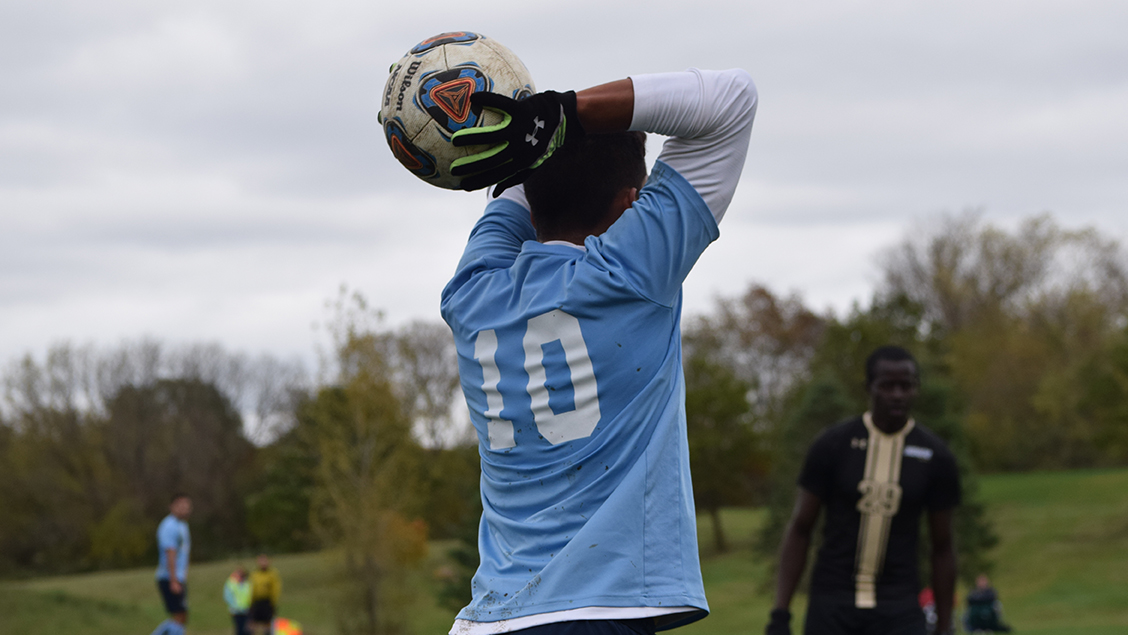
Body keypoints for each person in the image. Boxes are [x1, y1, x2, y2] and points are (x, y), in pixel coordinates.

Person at [439, 66, 757, 635]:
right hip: (594, 612)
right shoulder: (631, 272)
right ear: (632, 203)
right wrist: (568, 113)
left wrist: (536, 131)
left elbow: (521, 195)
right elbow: (732, 98)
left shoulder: (472, 295)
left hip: (486, 619)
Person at [765, 346, 961, 635]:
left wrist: (945, 627)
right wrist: (780, 614)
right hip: (832, 604)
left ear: (915, 389)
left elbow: (942, 547)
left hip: (899, 607)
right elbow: (800, 528)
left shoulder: (936, 456)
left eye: (905, 386)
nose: (897, 394)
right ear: (869, 387)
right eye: (887, 385)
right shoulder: (833, 445)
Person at [152, 494, 192, 635]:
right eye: (180, 505)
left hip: (178, 577)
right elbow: (170, 553)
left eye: (186, 506)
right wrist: (174, 580)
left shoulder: (183, 525)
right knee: (179, 615)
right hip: (169, 577)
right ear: (172, 506)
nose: (184, 509)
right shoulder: (169, 526)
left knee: (182, 615)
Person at [249, 554, 282, 635]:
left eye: (265, 561)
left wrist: (273, 602)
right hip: (256, 602)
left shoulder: (272, 574)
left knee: (268, 624)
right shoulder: (254, 574)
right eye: (261, 561)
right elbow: (250, 588)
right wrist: (250, 602)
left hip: (267, 601)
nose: (263, 563)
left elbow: (276, 589)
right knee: (252, 624)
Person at [224, 566, 252, 635]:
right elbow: (227, 597)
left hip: (246, 610)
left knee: (248, 630)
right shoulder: (231, 584)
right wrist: (234, 606)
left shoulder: (247, 584)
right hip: (236, 611)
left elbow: (251, 596)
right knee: (239, 629)